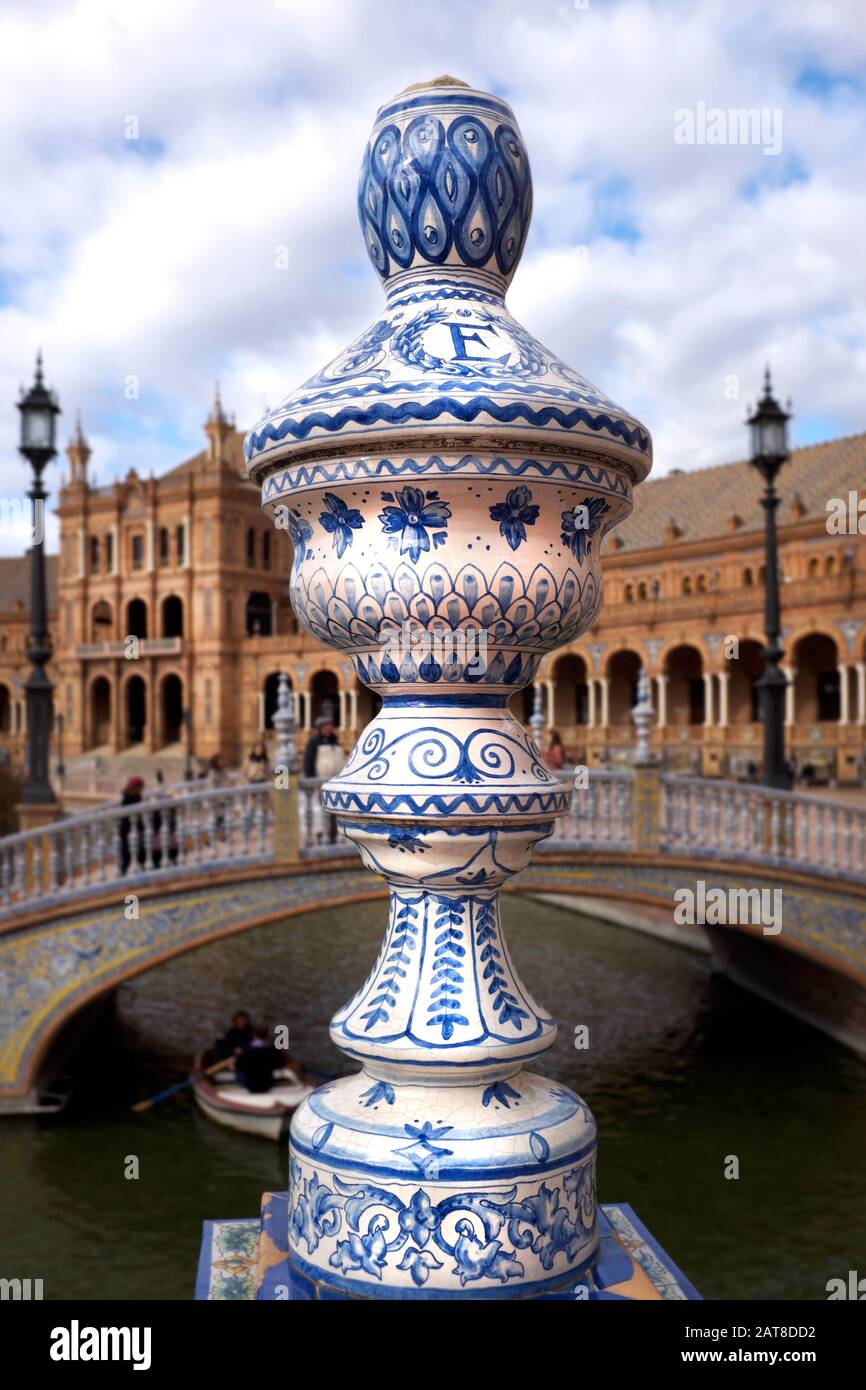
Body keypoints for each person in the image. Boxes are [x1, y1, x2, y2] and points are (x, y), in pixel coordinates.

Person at [237, 1027, 281, 1094]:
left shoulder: (246, 1050)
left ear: (253, 1035)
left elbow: (240, 1065)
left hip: (251, 1084)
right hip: (267, 1084)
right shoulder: (272, 1050)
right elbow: (279, 1064)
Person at [118, 776, 145, 873]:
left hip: (128, 829)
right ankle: (123, 871)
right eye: (141, 787)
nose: (142, 790)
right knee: (129, 853)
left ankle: (123, 871)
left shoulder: (132, 796)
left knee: (132, 852)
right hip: (127, 829)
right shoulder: (131, 798)